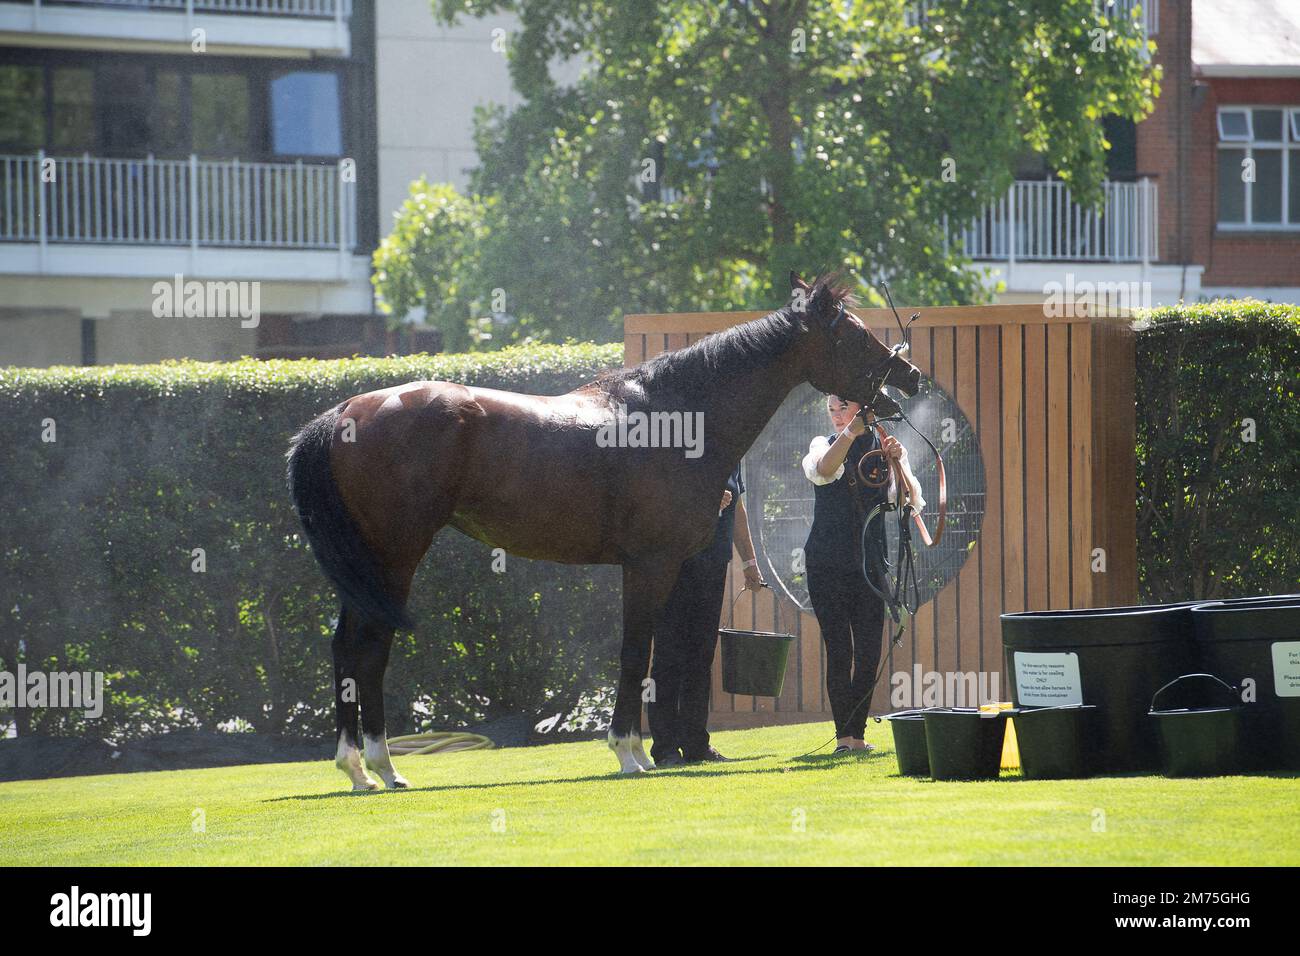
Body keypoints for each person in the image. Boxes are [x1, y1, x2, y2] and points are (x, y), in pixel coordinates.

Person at [802, 395, 924, 755]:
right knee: (840, 649)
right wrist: (851, 434)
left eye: (844, 408)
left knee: (869, 652)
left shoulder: (883, 448)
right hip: (826, 564)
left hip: (870, 565)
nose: (838, 416)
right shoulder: (822, 444)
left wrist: (898, 462)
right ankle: (843, 739)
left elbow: (909, 500)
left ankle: (856, 735)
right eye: (832, 410)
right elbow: (823, 469)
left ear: (862, 409)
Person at [648, 463, 763, 766]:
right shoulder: (681, 440)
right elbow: (659, 496)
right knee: (669, 653)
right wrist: (704, 501)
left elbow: (737, 505)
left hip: (713, 561)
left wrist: (749, 561)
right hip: (674, 561)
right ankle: (665, 749)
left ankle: (696, 744)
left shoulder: (732, 452)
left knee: (701, 655)